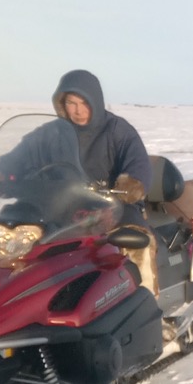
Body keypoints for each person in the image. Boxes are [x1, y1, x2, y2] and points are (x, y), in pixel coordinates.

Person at [52, 69, 159, 294]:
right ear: (62, 104)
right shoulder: (54, 134)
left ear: (96, 101)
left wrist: (131, 185)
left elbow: (138, 162)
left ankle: (146, 307)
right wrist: (0, 175)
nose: (78, 110)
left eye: (84, 102)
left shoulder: (118, 130)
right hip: (67, 207)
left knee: (136, 242)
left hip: (117, 206)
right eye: (71, 103)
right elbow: (24, 156)